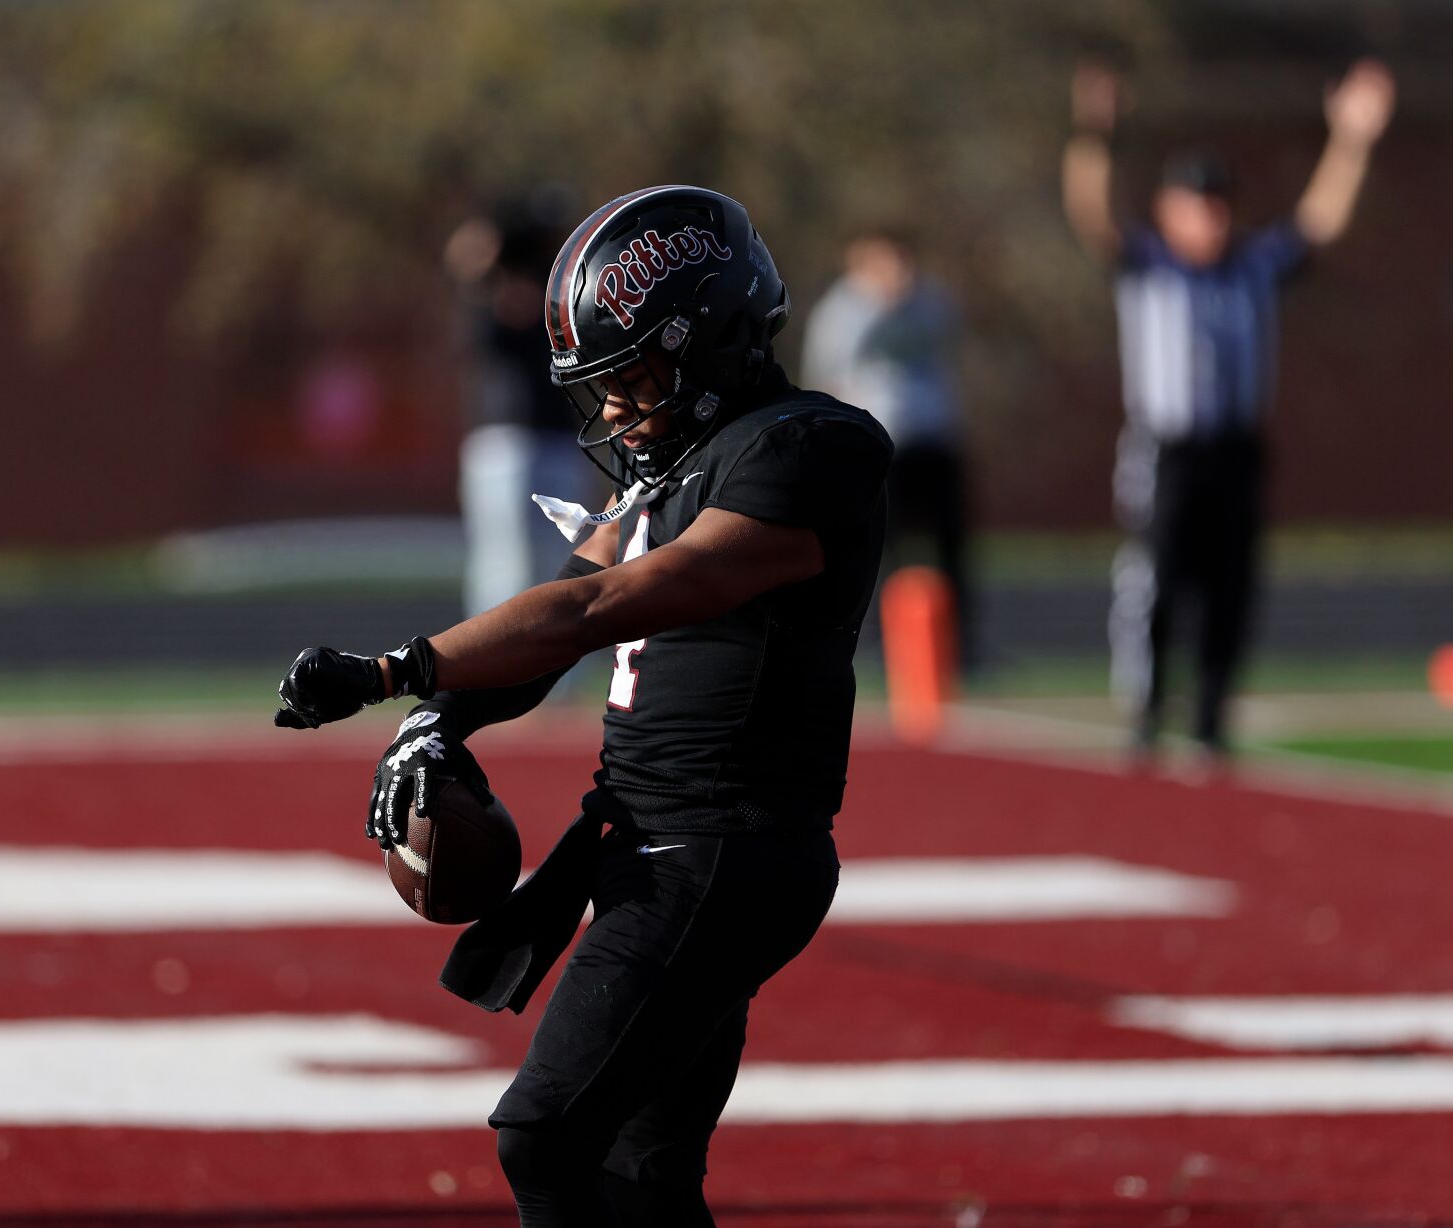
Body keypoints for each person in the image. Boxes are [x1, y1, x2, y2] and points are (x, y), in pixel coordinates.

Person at [273, 185, 892, 1226]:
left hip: (724, 852)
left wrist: (394, 673)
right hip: (654, 845)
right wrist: (443, 718)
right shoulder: (675, 464)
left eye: (632, 377)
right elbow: (551, 622)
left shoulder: (809, 447)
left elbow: (599, 606)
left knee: (547, 1135)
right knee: (641, 1176)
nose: (610, 411)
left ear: (710, 343)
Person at [1061, 58, 1395, 757]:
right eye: (1195, 203)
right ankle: (1148, 707)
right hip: (1168, 446)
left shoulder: (1253, 266)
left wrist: (1351, 140)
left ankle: (1211, 716)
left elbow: (1319, 223)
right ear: (1167, 209)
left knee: (1231, 585)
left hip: (1237, 448)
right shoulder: (1149, 264)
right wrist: (1094, 133)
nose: (1209, 217)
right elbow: (1092, 214)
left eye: (1218, 203)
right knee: (1158, 576)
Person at [803, 226, 974, 661]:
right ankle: (880, 642)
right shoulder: (842, 310)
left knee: (950, 545)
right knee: (879, 547)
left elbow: (948, 344)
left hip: (934, 438)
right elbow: (826, 376)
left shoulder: (931, 302)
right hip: (879, 446)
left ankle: (961, 644)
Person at [445, 198, 597, 617]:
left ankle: (561, 661)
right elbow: (465, 261)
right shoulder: (486, 290)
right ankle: (493, 654)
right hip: (503, 441)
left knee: (565, 567)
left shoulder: (562, 286)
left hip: (559, 439)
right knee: (502, 570)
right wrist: (492, 250)